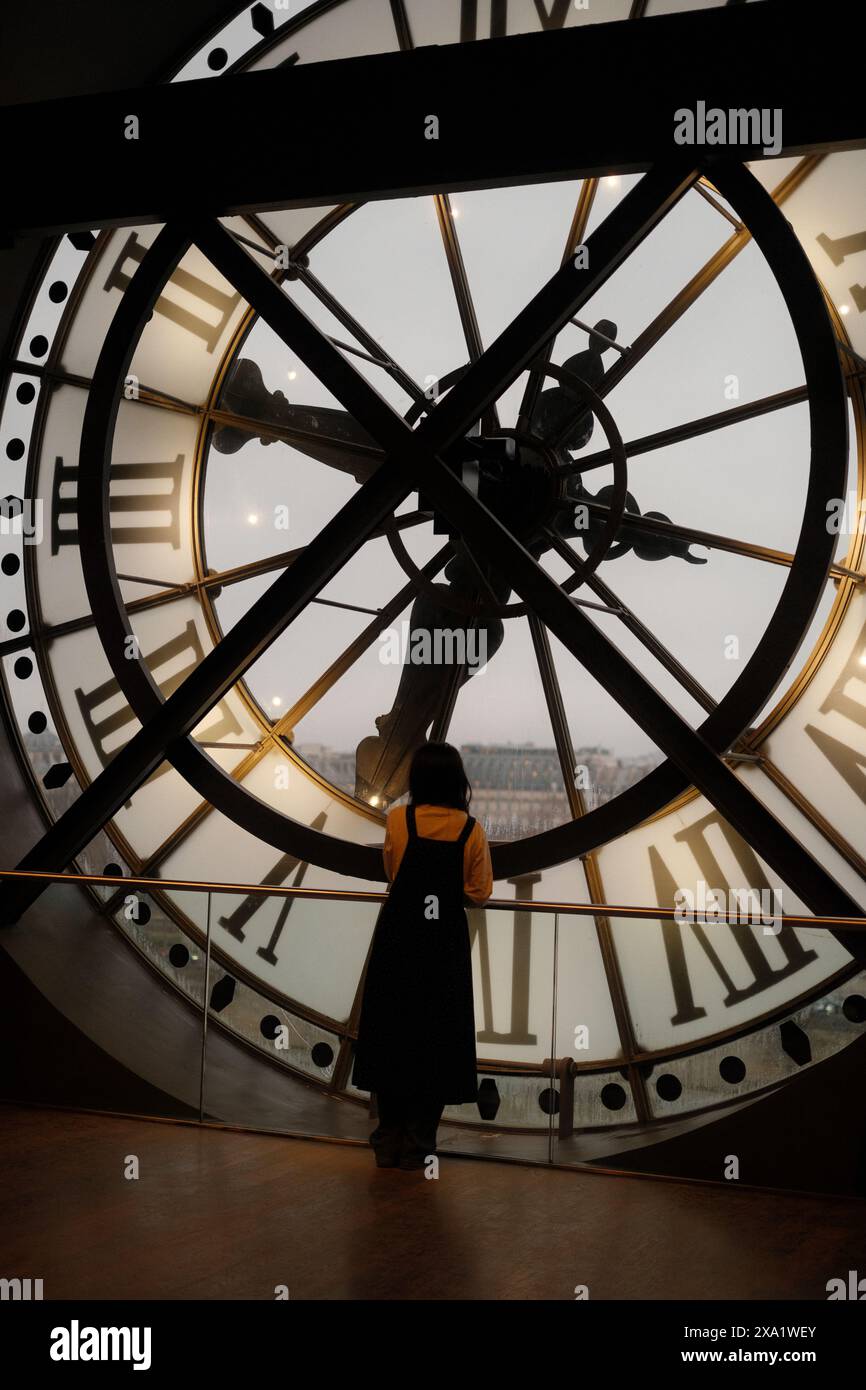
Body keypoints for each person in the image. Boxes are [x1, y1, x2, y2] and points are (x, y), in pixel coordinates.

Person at [351, 742, 493, 1171]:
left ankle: (387, 1137)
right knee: (437, 1040)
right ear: (458, 782)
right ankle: (419, 1142)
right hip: (442, 948)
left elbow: (393, 871)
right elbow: (479, 892)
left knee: (391, 1034)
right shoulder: (472, 830)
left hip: (400, 941)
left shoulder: (398, 820)